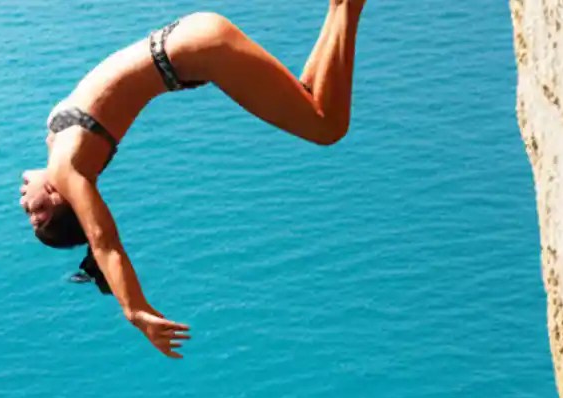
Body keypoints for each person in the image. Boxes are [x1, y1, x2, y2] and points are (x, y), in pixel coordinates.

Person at [19, 2, 366, 358]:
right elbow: (104, 241)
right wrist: (127, 299)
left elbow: (101, 244)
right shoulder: (69, 163)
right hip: (189, 45)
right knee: (310, 102)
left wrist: (134, 310)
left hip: (198, 52)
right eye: (35, 218)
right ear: (58, 198)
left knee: (328, 126)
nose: (22, 204)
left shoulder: (65, 159)